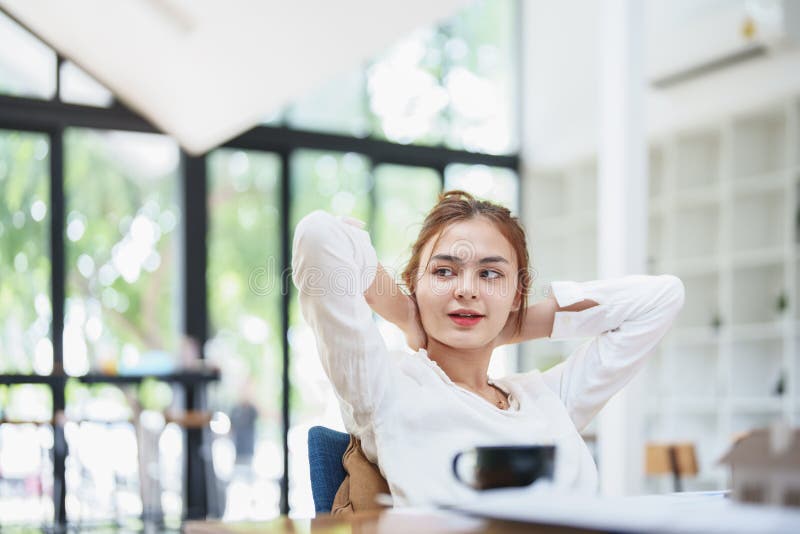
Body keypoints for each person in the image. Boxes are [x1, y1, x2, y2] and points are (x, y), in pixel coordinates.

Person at [291, 190, 684, 510]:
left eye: (490, 274)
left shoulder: (548, 399)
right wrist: (408, 316)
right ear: (415, 284)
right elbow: (319, 237)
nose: (466, 289)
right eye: (443, 271)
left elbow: (661, 298)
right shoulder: (385, 389)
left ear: (518, 293)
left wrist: (506, 327)